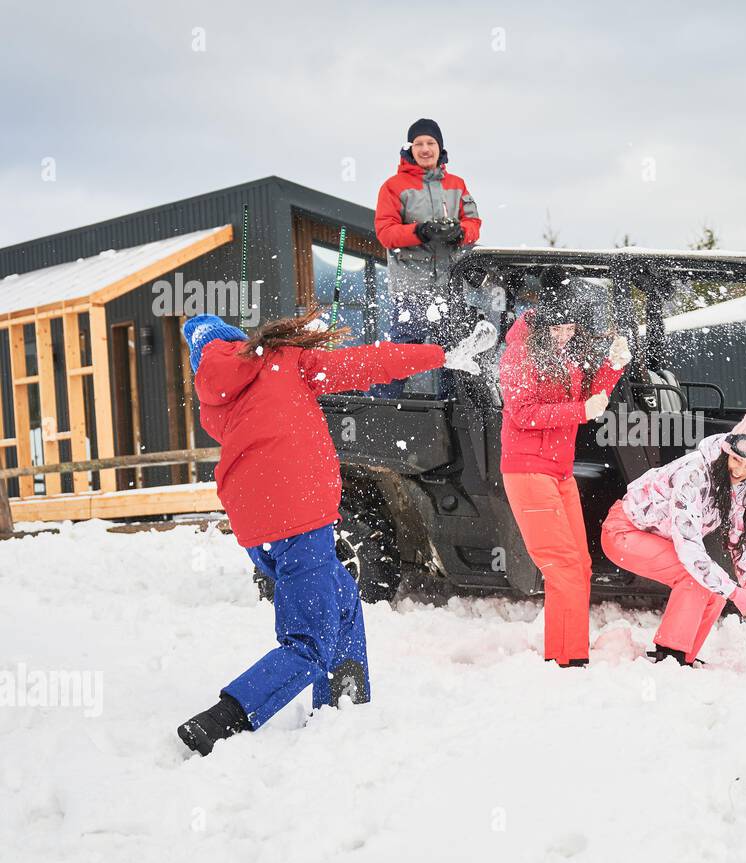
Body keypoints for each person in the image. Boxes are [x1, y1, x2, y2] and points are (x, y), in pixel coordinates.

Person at [176, 310, 494, 755]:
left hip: (256, 523)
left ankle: (344, 703)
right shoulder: (280, 360)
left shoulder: (214, 395)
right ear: (239, 340)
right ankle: (222, 720)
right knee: (308, 640)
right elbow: (367, 364)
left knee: (343, 597)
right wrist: (438, 355)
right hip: (300, 514)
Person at [498, 297, 631, 667]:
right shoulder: (520, 357)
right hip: (528, 471)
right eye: (557, 329)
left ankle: (566, 654)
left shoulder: (566, 358)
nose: (563, 336)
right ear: (542, 327)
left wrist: (613, 366)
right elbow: (522, 414)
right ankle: (570, 662)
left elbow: (589, 398)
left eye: (570, 330)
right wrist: (579, 411)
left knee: (579, 567)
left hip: (560, 472)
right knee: (564, 567)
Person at [601, 410, 746, 666]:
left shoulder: (740, 487)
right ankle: (670, 655)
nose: (740, 470)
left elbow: (743, 540)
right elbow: (689, 549)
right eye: (737, 460)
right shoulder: (693, 473)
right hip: (624, 532)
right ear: (728, 449)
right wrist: (736, 595)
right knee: (694, 578)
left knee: (715, 593)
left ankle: (685, 657)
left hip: (658, 541)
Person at [373, 118, 481, 399]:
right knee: (403, 356)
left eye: (430, 143)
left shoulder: (457, 184)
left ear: (440, 147)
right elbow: (386, 233)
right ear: (409, 148)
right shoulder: (393, 186)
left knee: (453, 359)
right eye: (418, 143)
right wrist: (420, 231)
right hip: (412, 290)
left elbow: (474, 224)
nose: (425, 148)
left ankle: (452, 419)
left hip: (450, 289)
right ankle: (382, 411)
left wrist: (459, 232)